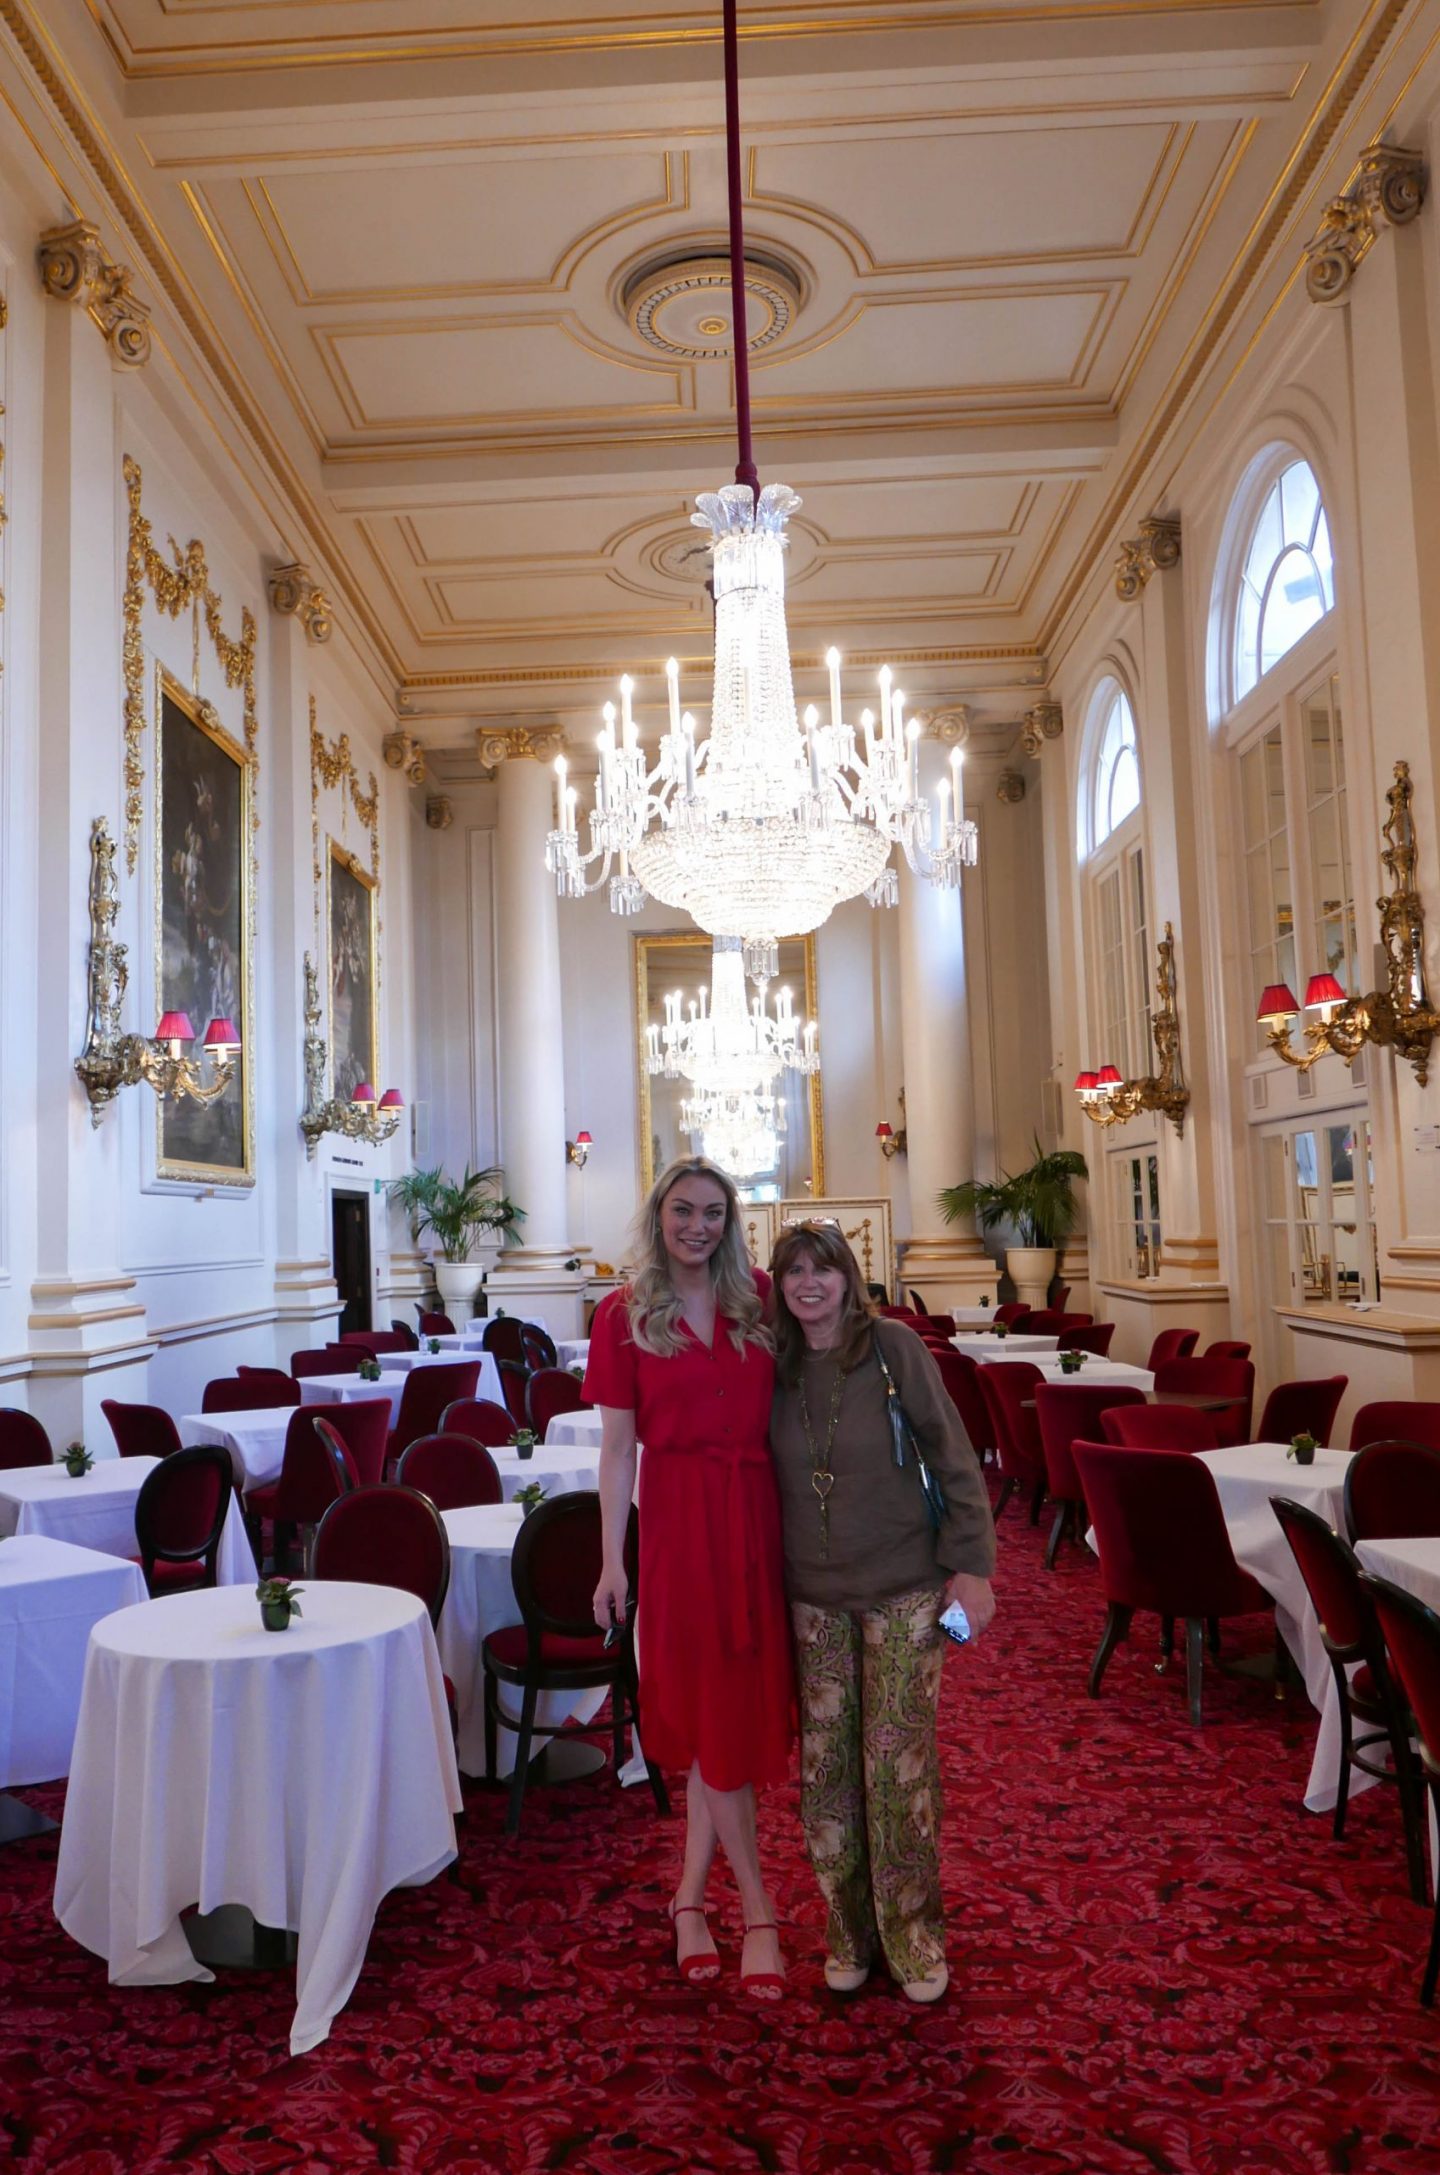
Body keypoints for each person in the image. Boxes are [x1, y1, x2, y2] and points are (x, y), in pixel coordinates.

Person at [768, 1221, 997, 2002]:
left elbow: (954, 1456)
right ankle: (848, 1926)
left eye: (822, 1269)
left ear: (848, 1276)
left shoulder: (893, 1349)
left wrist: (972, 1566)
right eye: (794, 1269)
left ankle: (912, 1932)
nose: (809, 1283)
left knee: (896, 1770)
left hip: (903, 1587)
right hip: (810, 1600)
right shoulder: (775, 1361)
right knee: (827, 1775)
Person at [587, 1156, 793, 1997]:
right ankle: (758, 1905)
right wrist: (611, 1557)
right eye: (683, 1210)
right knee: (710, 1717)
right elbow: (614, 1449)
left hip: (755, 1522)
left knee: (730, 1718)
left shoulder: (762, 1300)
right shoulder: (623, 1315)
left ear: (731, 1221)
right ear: (658, 1214)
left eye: (713, 1212)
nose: (698, 1226)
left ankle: (686, 1901)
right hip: (677, 1527)